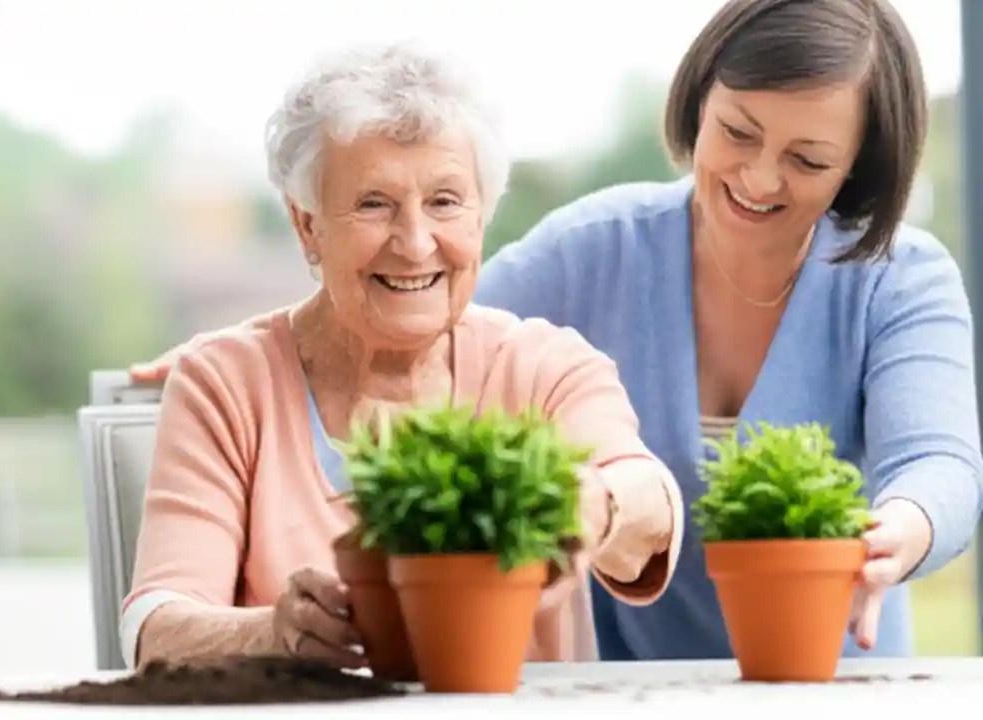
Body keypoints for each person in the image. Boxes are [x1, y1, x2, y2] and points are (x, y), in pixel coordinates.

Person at [129, 0, 983, 663]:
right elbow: (421, 309)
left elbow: (937, 463)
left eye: (806, 160)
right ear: (700, 102)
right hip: (628, 685)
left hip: (824, 672)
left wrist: (893, 531)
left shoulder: (899, 279)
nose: (760, 176)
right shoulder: (594, 250)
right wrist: (243, 363)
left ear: (858, 165)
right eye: (738, 133)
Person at [119, 44, 685, 671]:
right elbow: (158, 630)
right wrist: (274, 634)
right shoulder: (224, 382)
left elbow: (650, 508)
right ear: (307, 224)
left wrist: (596, 502)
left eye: (445, 201)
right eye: (373, 204)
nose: (415, 244)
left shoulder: (544, 366)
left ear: (481, 216)